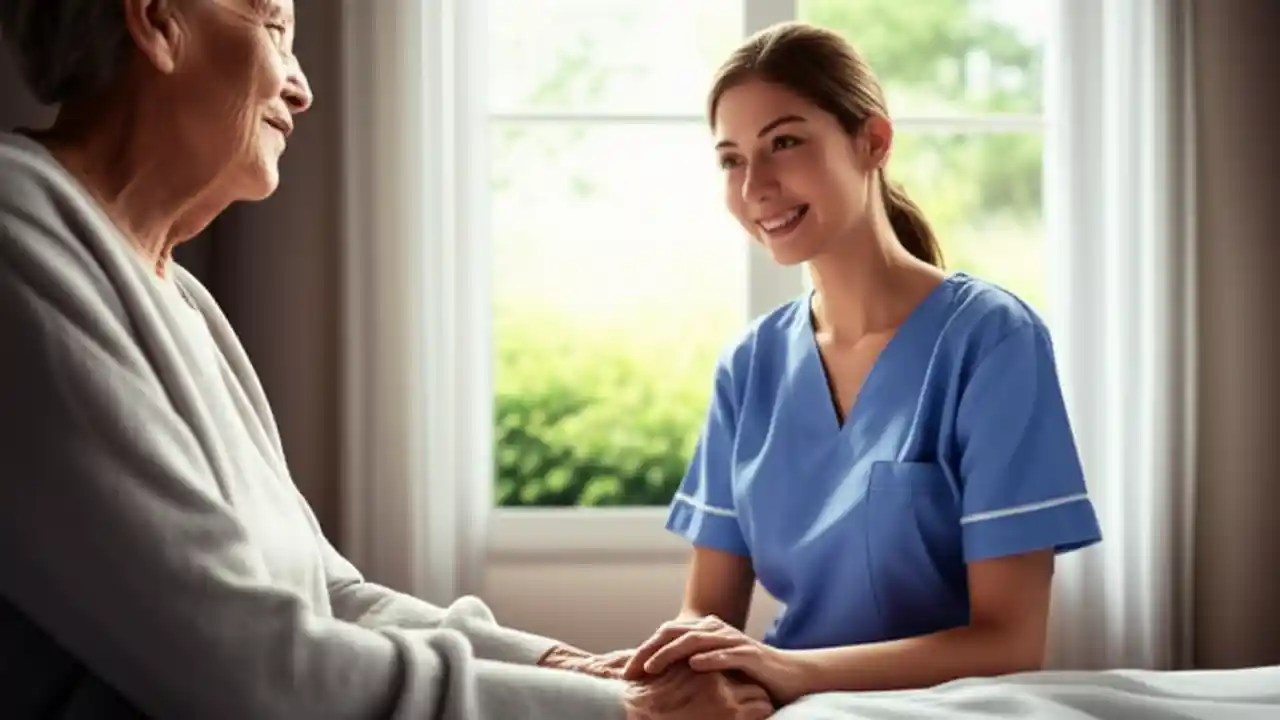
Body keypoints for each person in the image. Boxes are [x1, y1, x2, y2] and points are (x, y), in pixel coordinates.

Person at [0, 1, 776, 718]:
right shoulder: (19, 231)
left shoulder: (182, 299)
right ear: (159, 20)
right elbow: (235, 660)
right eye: (274, 27)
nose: (300, 89)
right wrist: (628, 714)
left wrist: (577, 670)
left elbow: (328, 594)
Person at [622, 21, 1104, 706]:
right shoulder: (749, 366)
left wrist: (791, 672)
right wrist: (675, 663)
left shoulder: (991, 340)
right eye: (731, 159)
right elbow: (707, 613)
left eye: (784, 142)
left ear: (872, 142)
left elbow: (1009, 641)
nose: (755, 185)